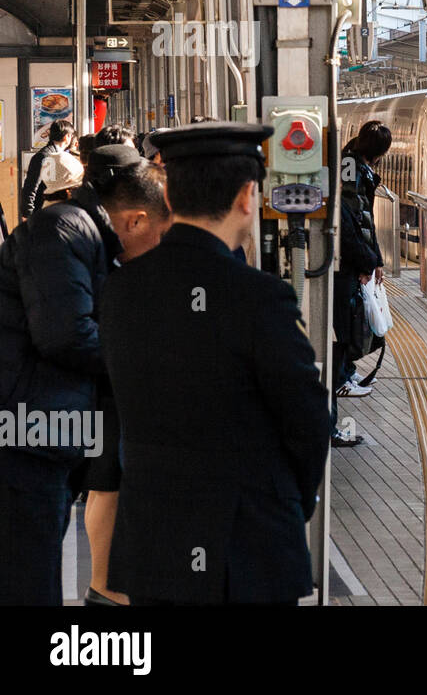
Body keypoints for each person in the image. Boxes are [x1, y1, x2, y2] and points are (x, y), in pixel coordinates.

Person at [99, 122, 330, 605]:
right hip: (243, 548)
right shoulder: (259, 297)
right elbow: (308, 422)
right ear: (248, 196)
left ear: (169, 193)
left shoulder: (121, 288)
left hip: (153, 545)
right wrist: (290, 503)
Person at [0, 146, 167, 604]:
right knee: (26, 576)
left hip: (48, 428)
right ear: (133, 220)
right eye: (158, 237)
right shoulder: (63, 231)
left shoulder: (90, 239)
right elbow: (66, 334)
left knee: (33, 566)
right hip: (23, 435)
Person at [76, 147, 171, 607]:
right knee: (109, 482)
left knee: (105, 484)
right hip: (109, 383)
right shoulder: (96, 237)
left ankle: (104, 585)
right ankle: (106, 587)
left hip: (103, 384)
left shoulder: (89, 228)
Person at [331, 121, 391, 415]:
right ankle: (340, 378)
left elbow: (364, 220)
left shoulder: (351, 163)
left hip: (354, 256)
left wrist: (374, 258)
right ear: (378, 152)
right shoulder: (352, 172)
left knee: (350, 316)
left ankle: (346, 369)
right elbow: (355, 221)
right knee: (346, 319)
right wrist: (367, 260)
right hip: (346, 260)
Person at [20, 119, 75, 218]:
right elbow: (31, 187)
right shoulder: (45, 156)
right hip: (41, 213)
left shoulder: (55, 155)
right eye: (71, 136)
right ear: (67, 137)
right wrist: (29, 214)